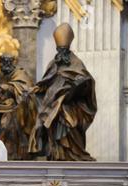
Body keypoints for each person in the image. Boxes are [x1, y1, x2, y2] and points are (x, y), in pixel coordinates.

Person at [28, 23, 97, 161]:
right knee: (51, 127)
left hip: (70, 106)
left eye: (64, 49)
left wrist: (76, 86)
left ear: (68, 49)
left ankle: (74, 154)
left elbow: (87, 82)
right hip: (52, 104)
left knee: (69, 128)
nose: (61, 53)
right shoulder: (53, 64)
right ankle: (55, 155)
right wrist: (35, 89)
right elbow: (45, 82)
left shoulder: (77, 63)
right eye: (59, 49)